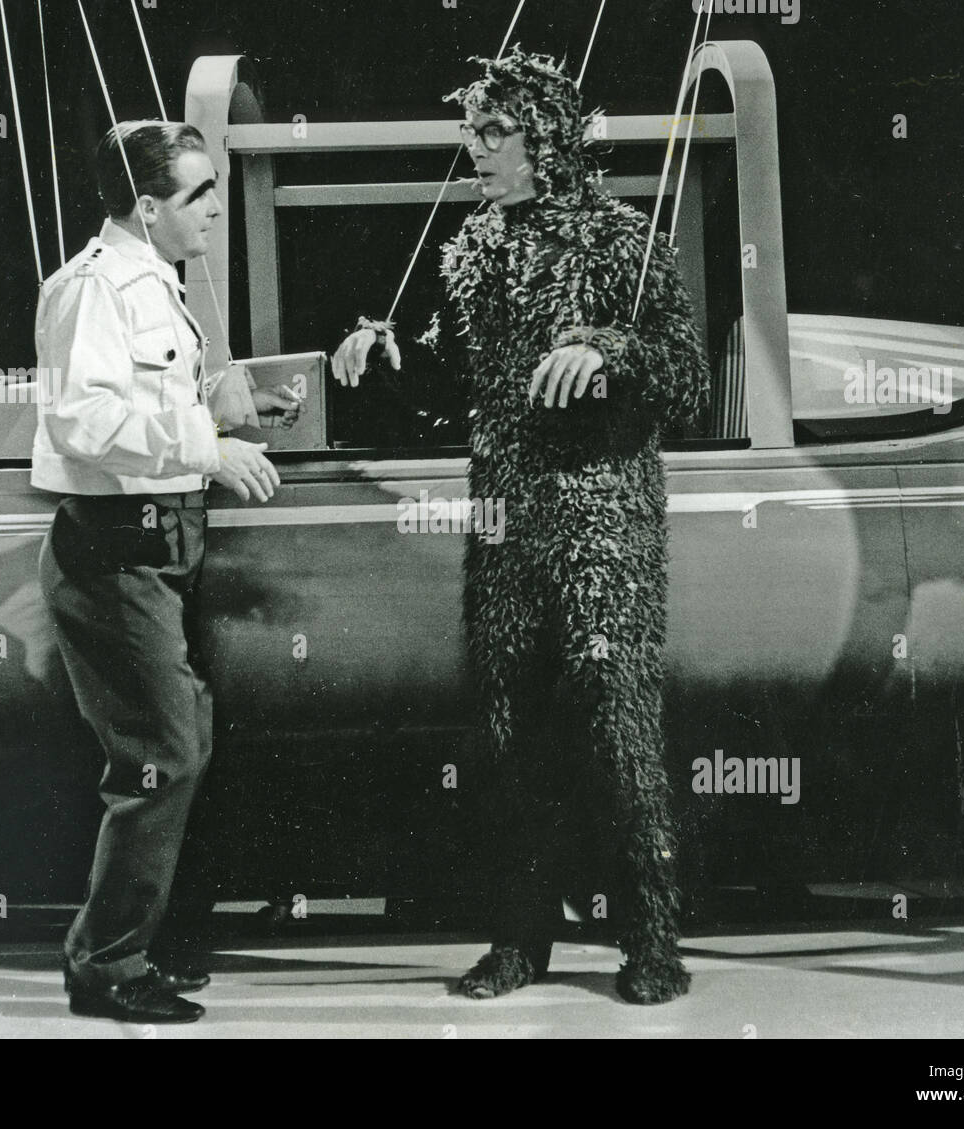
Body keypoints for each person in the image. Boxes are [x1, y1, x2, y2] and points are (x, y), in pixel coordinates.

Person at [333, 49, 710, 1004]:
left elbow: (686, 373)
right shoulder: (471, 249)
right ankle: (519, 941)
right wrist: (381, 356)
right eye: (473, 134)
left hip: (602, 516)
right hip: (505, 519)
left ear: (547, 144)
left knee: (616, 726)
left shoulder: (621, 239)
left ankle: (653, 942)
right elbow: (441, 389)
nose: (476, 152)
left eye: (493, 135)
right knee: (510, 737)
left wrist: (605, 348)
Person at [33, 120, 302, 1023]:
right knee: (162, 755)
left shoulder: (155, 283)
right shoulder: (91, 289)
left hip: (164, 546)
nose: (217, 207)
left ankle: (148, 938)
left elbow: (153, 400)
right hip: (114, 552)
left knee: (183, 744)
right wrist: (207, 445)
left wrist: (236, 402)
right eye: (199, 194)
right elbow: (84, 424)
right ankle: (105, 965)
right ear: (148, 207)